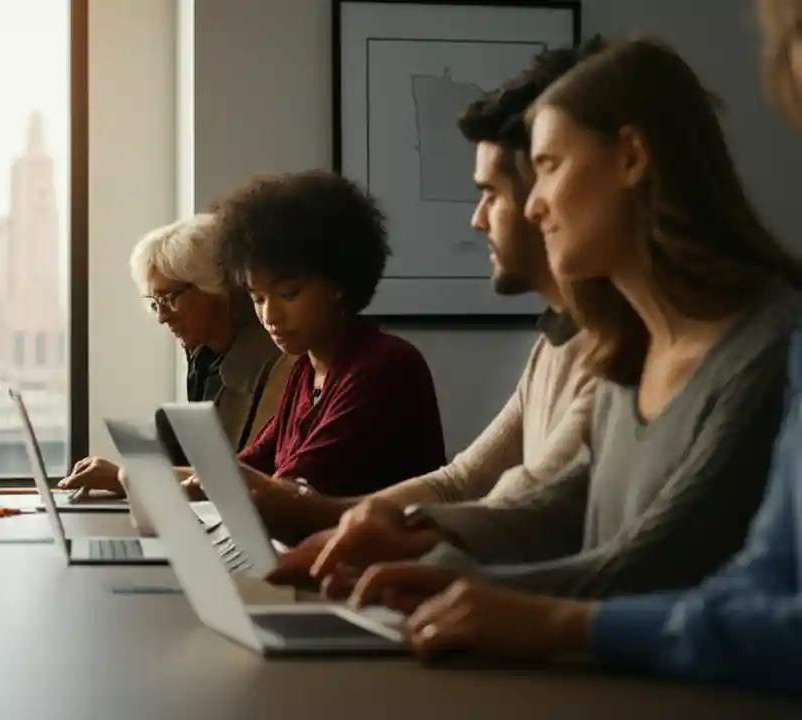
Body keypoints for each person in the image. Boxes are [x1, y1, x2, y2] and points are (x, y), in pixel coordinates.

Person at [305, 6, 802, 696]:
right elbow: (561, 514)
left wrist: (470, 584)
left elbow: (642, 567)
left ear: (631, 158)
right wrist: (431, 552)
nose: (534, 205)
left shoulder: (767, 349)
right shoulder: (626, 351)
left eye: (547, 167)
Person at [235, 42, 603, 537]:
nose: (475, 220)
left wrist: (326, 519)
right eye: (258, 297)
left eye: (491, 194)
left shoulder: (384, 365)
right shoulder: (552, 347)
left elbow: (520, 515)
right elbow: (460, 483)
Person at [212, 171, 447, 544]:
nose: (269, 316)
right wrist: (140, 476)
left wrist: (202, 479)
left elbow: (291, 489)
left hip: (377, 575)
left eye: (288, 293)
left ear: (339, 283)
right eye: (258, 298)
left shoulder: (384, 367)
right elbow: (249, 465)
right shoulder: (306, 368)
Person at [59, 214, 289, 494]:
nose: (162, 317)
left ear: (215, 287)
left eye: (169, 299)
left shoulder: (278, 364)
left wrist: (128, 477)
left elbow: (251, 478)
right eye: (156, 303)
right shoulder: (207, 362)